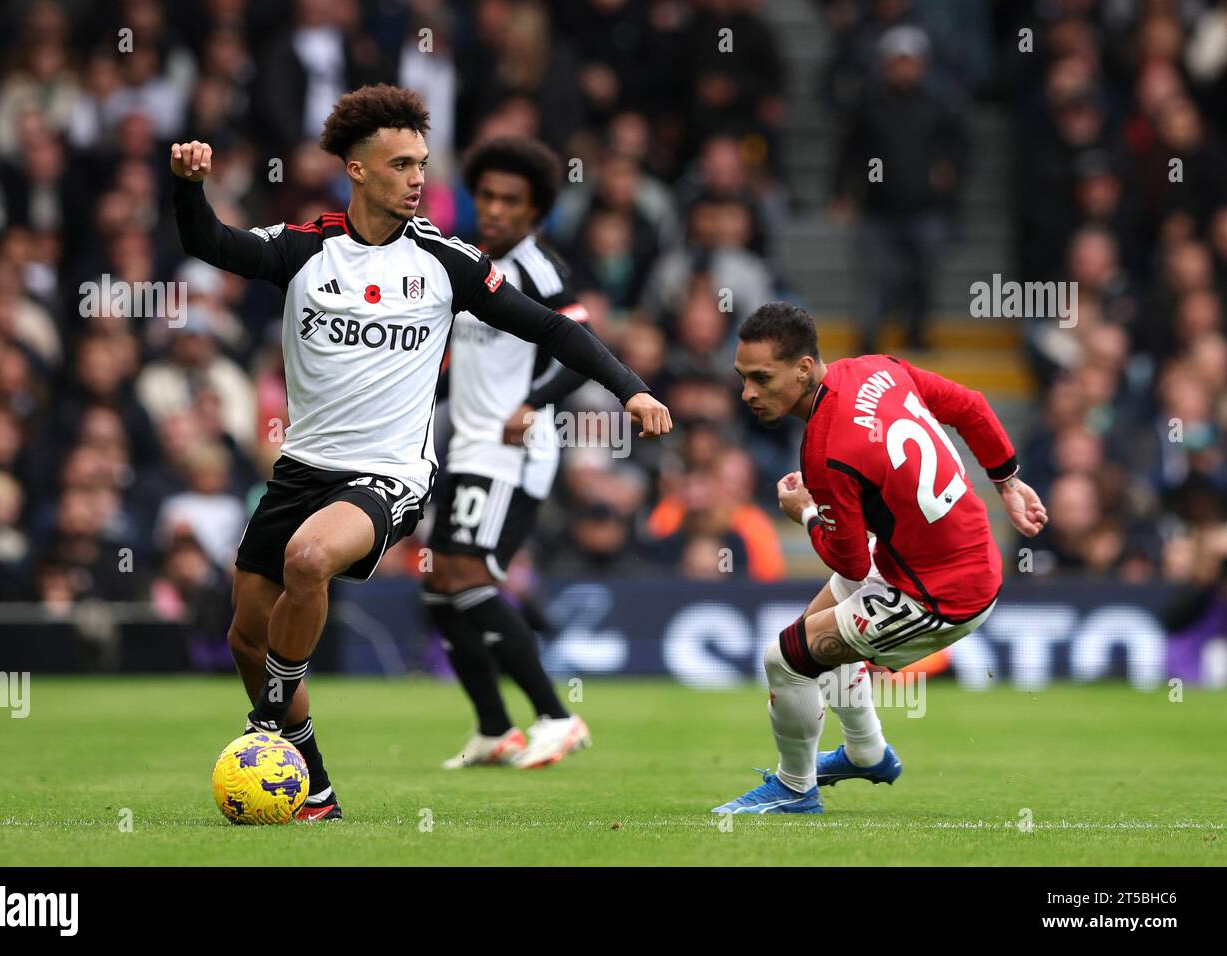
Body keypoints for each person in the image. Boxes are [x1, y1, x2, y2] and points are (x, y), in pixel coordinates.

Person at [171, 84, 671, 820]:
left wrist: (631, 390)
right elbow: (208, 243)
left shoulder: (447, 262)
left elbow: (557, 330)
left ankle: (266, 727)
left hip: (391, 476)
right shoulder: (303, 250)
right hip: (301, 470)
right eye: (402, 163)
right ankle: (315, 786)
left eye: (423, 164)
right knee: (248, 636)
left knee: (310, 563)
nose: (418, 179)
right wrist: (188, 189)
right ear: (358, 169)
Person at [714, 302, 1047, 814]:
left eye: (761, 378)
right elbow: (970, 405)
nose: (748, 394)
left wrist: (803, 513)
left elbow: (846, 563)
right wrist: (1008, 481)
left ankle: (794, 790)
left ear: (804, 367)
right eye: (742, 378)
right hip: (949, 553)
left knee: (784, 659)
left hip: (941, 595)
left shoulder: (826, 448)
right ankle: (867, 753)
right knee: (812, 640)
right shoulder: (875, 369)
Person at [423, 136, 595, 769]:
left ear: (535, 214)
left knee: (466, 577)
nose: (494, 210)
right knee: (439, 590)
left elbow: (582, 350)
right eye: (486, 196)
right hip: (468, 447)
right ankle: (495, 727)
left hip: (511, 453)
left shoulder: (539, 270)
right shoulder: (466, 262)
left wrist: (535, 402)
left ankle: (557, 716)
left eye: (510, 202)